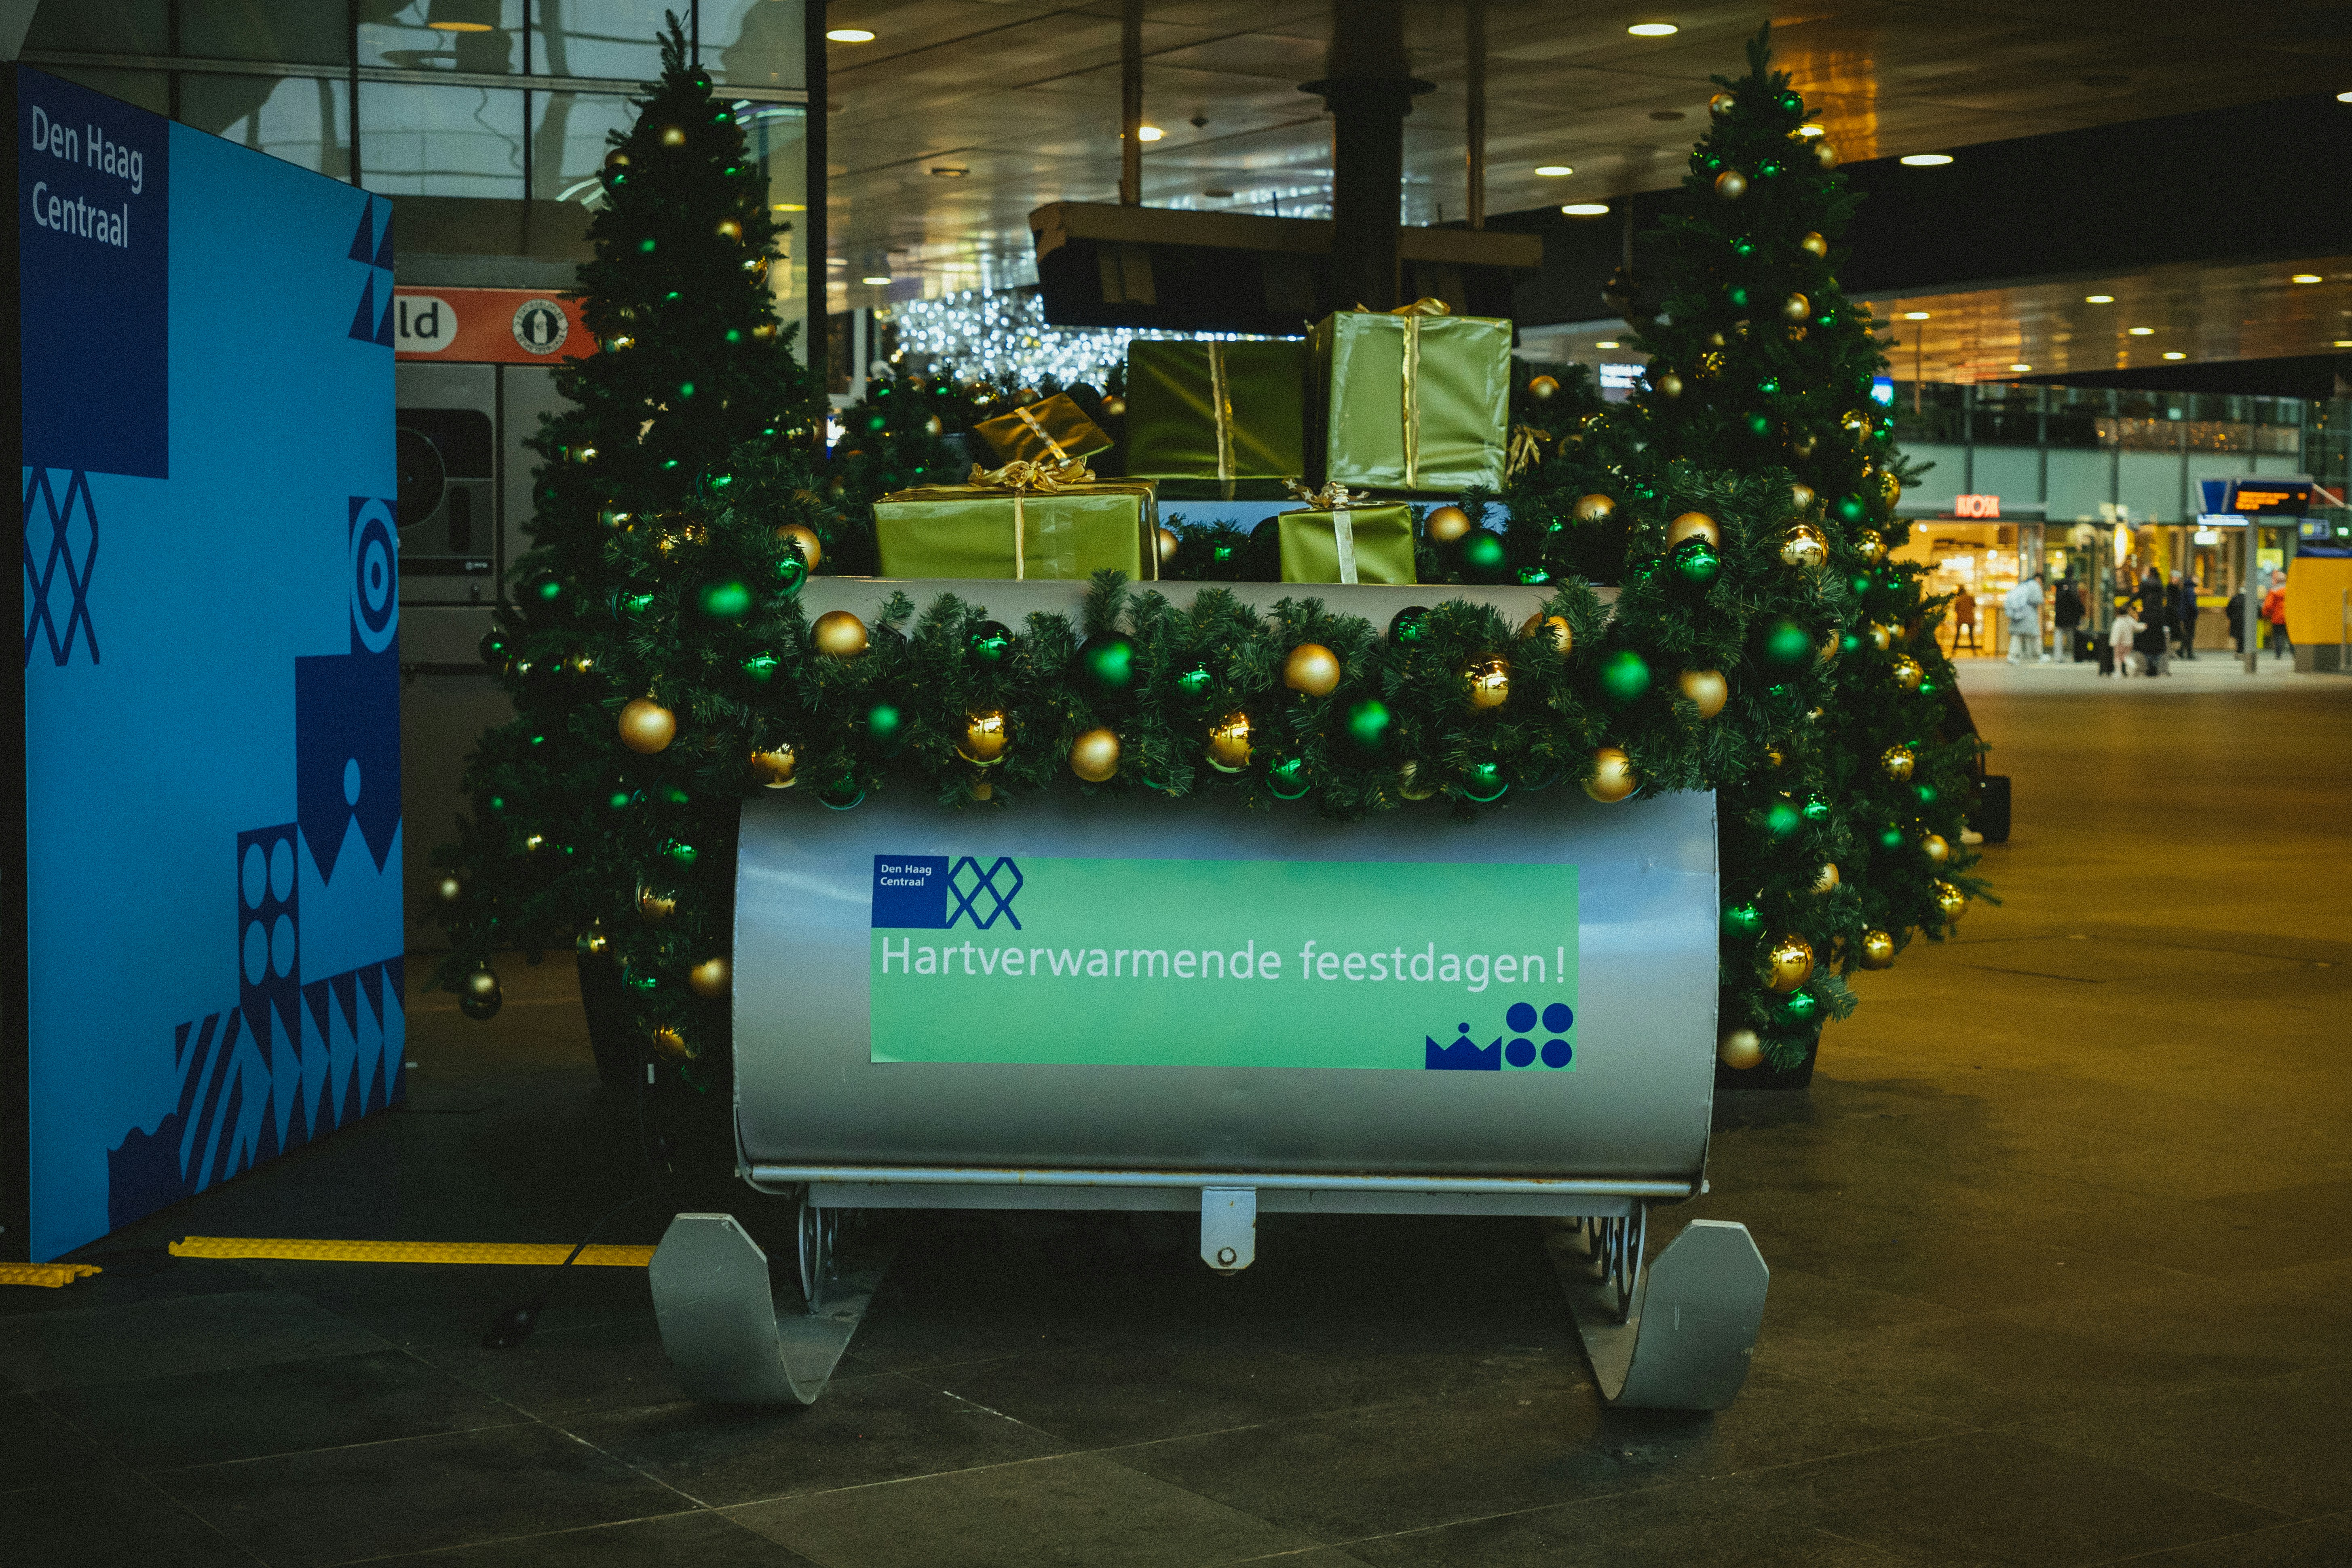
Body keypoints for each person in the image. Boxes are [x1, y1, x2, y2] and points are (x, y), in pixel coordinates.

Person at [2002, 572, 2044, 663]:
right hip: (2029, 616)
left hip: (2017, 616)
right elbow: (2039, 600)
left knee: (2017, 636)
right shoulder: (2034, 586)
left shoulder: (2021, 586)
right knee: (2035, 636)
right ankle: (2038, 655)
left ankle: (2012, 656)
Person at [2052, 574, 2085, 661]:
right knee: (2072, 638)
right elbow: (2076, 603)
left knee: (2059, 637)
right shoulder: (2073, 587)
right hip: (2071, 618)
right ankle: (2075, 656)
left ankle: (2058, 657)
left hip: (2060, 618)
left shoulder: (2059, 587)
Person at [2263, 570, 2292, 660]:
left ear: (2277, 580)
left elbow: (2268, 606)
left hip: (2277, 618)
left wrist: (2266, 614)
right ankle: (2295, 654)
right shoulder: (2291, 590)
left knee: (2278, 636)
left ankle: (2278, 655)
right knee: (2291, 637)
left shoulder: (2274, 591)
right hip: (2289, 618)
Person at [2171, 571, 2199, 661]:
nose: (2198, 580)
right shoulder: (2191, 590)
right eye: (2197, 578)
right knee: (2189, 635)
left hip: (2186, 615)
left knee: (2188, 634)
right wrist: (2196, 612)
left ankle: (2182, 652)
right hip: (2189, 616)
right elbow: (2192, 604)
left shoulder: (2186, 588)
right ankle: (2187, 653)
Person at [2108, 604, 2142, 676]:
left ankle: (2118, 672)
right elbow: (2137, 627)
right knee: (2126, 657)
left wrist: (2113, 643)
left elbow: (2116, 634)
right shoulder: (2130, 620)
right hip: (2129, 643)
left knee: (2118, 658)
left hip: (2119, 643)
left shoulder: (2118, 622)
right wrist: (2145, 626)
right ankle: (2132, 666)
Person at [1952, 587, 1978, 654]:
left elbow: (1956, 609)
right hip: (1970, 618)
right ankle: (1974, 651)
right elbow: (1974, 605)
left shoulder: (1959, 599)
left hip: (1960, 618)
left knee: (1958, 635)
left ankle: (1954, 650)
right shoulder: (1970, 598)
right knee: (1971, 635)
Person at [2227, 585, 2247, 655]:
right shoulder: (2249, 599)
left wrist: (2231, 617)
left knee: (2238, 636)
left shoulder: (2234, 598)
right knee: (2245, 635)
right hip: (2246, 621)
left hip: (2236, 620)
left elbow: (2228, 610)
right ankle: (2243, 650)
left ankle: (2239, 650)